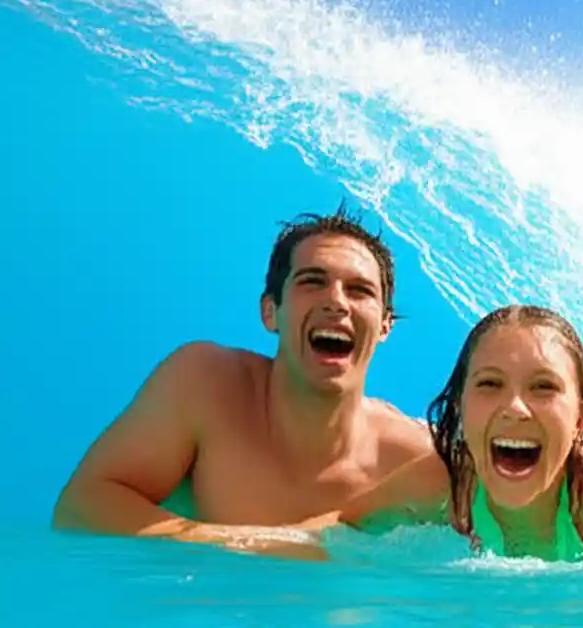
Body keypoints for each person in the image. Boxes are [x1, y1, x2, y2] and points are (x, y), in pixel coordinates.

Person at [51, 204, 435, 558]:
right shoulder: (206, 386)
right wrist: (249, 545)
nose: (336, 302)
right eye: (312, 281)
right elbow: (83, 504)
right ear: (271, 312)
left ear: (385, 326)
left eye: (359, 290)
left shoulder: (414, 460)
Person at [329, 304, 583, 561]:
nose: (514, 407)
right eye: (490, 384)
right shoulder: (445, 484)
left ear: (581, 418)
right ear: (459, 406)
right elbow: (335, 533)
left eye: (543, 387)